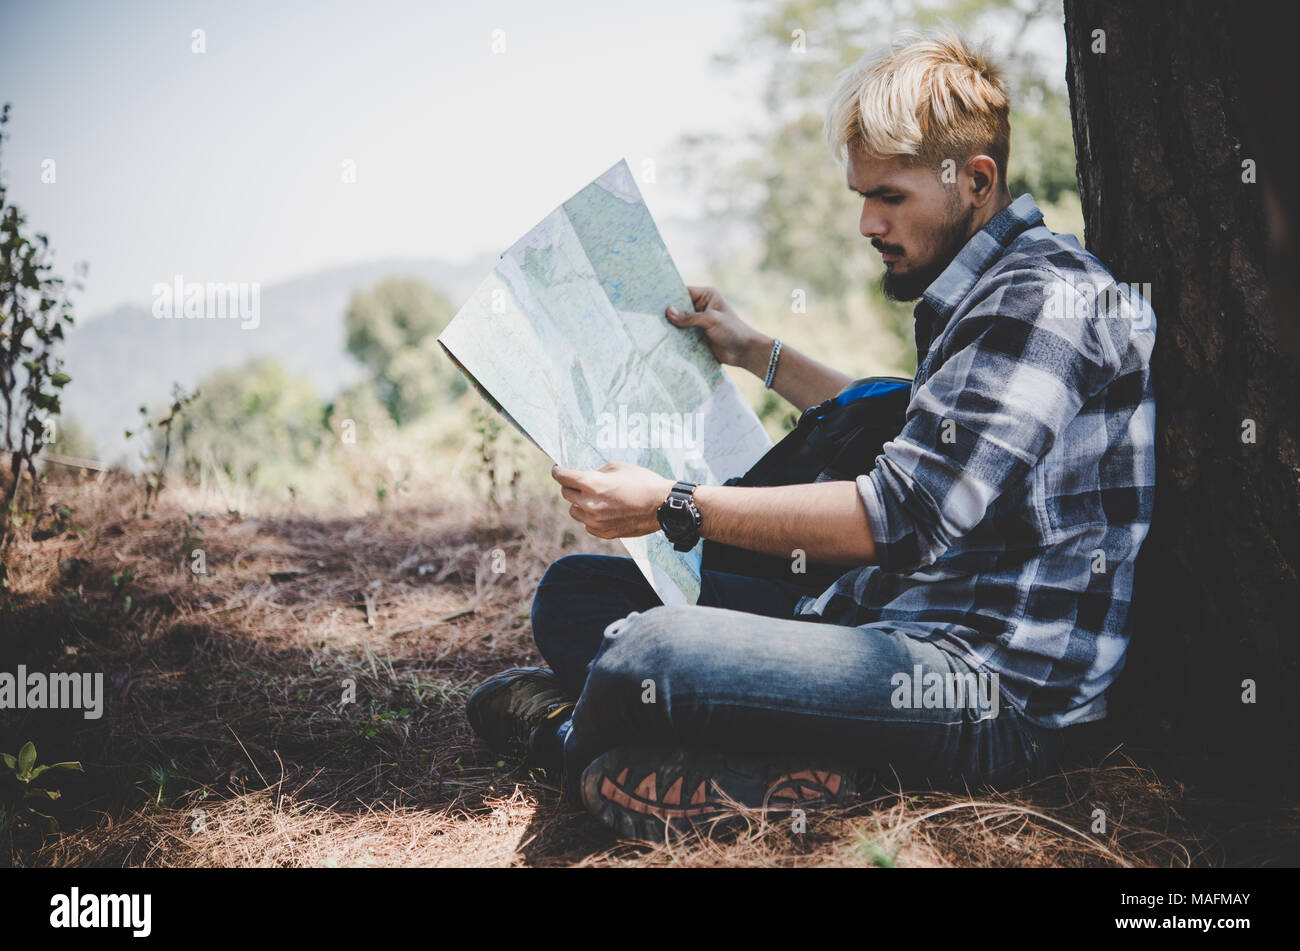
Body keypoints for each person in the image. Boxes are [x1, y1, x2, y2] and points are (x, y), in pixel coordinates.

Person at [466, 28, 1157, 841]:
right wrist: (754, 350)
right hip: (887, 619)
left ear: (976, 180)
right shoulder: (987, 287)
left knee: (646, 654)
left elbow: (900, 514)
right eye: (862, 194)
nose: (867, 222)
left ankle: (571, 739)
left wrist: (673, 504)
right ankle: (728, 744)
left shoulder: (1043, 301)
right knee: (581, 593)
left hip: (980, 691)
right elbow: (899, 418)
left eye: (890, 196)